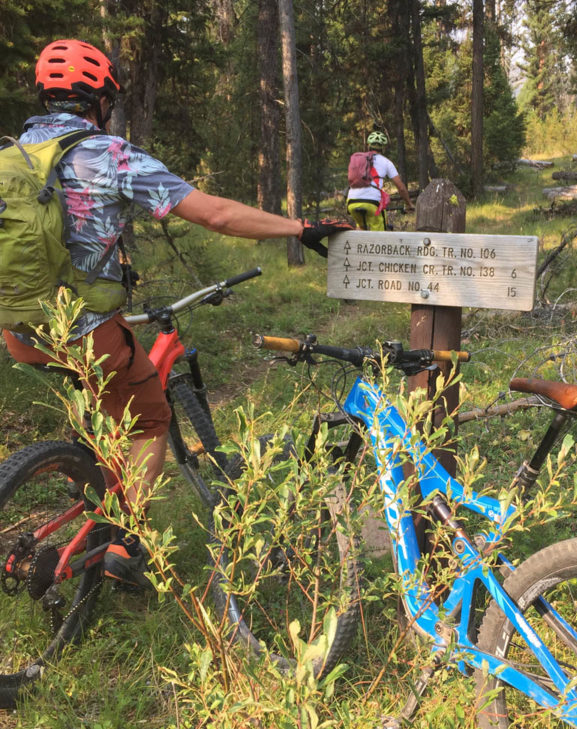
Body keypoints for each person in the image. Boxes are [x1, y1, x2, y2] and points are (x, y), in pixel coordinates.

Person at [2, 39, 350, 588]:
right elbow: (213, 213)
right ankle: (124, 543)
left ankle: (84, 477)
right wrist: (299, 228)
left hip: (22, 331)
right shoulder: (109, 155)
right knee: (150, 421)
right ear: (101, 101)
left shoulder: (11, 155)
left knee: (101, 408)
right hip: (87, 330)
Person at [346, 131, 414, 231]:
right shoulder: (386, 162)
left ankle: (356, 245)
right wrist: (409, 204)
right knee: (379, 235)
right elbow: (401, 187)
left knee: (360, 228)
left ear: (368, 146)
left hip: (352, 201)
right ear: (383, 147)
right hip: (372, 202)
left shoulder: (359, 160)